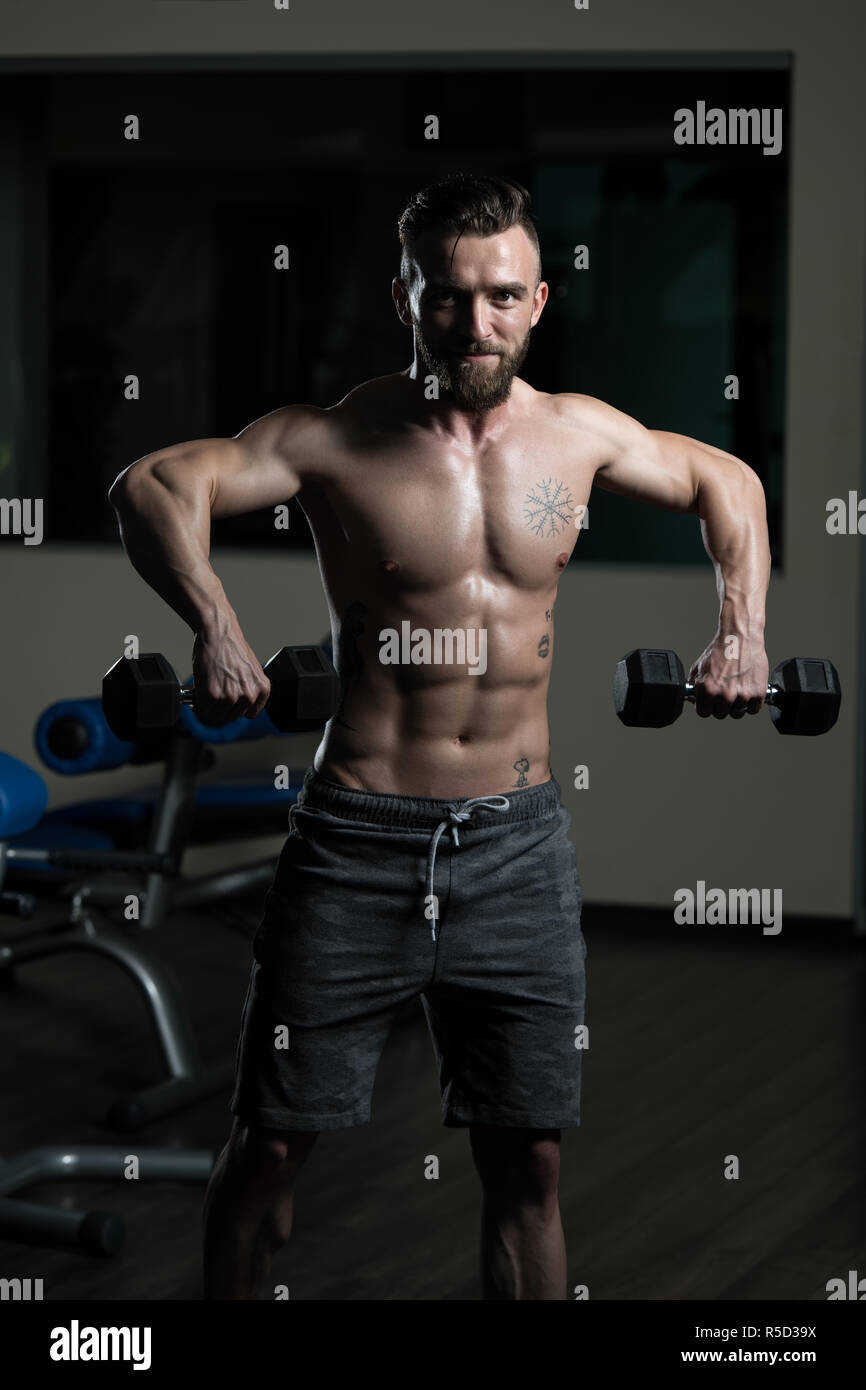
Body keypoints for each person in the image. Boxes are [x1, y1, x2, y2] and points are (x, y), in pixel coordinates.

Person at [108, 174, 771, 1300]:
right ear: (405, 295)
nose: (477, 325)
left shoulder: (575, 437)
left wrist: (742, 630)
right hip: (355, 841)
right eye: (449, 298)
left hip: (516, 847)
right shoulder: (332, 440)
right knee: (271, 1144)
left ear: (539, 301)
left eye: (502, 297)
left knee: (529, 1160)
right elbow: (155, 481)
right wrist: (216, 626)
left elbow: (727, 480)